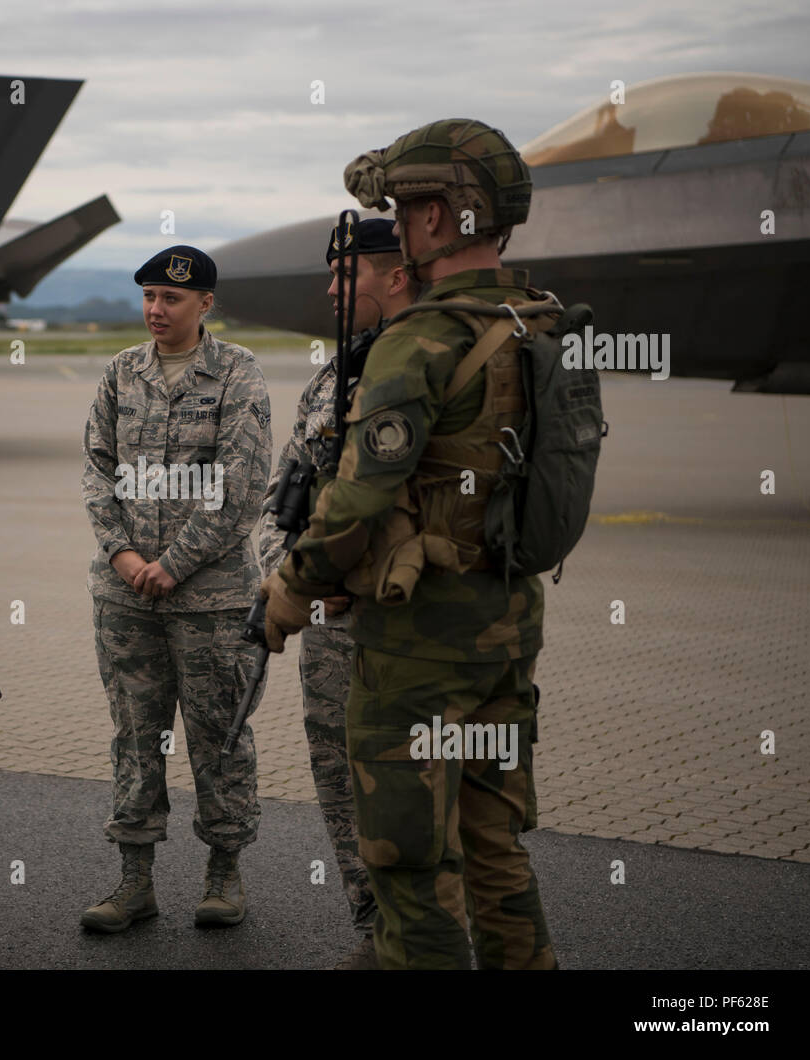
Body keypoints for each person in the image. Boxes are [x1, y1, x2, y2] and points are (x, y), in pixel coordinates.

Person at [261, 120, 559, 970]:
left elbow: (355, 500)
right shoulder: (535, 324)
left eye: (404, 205)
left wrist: (288, 591)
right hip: (507, 623)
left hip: (421, 644)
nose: (401, 220)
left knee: (409, 861)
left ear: (436, 218)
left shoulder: (419, 339)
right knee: (496, 848)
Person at [80, 245, 272, 932]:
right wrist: (125, 555)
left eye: (172, 299)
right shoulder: (121, 372)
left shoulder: (237, 375)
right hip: (126, 598)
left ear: (205, 304)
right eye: (149, 297)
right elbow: (97, 472)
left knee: (218, 737)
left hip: (212, 601)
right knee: (135, 735)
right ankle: (134, 882)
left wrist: (174, 563)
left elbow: (242, 488)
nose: (157, 310)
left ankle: (224, 873)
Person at [256, 217, 415, 970]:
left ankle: (418, 935)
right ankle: (373, 930)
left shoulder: (416, 367)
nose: (329, 289)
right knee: (335, 775)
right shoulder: (335, 373)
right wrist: (282, 572)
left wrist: (324, 578)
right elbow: (283, 489)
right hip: (321, 620)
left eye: (346, 275)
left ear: (396, 276)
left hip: (393, 623)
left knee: (403, 785)